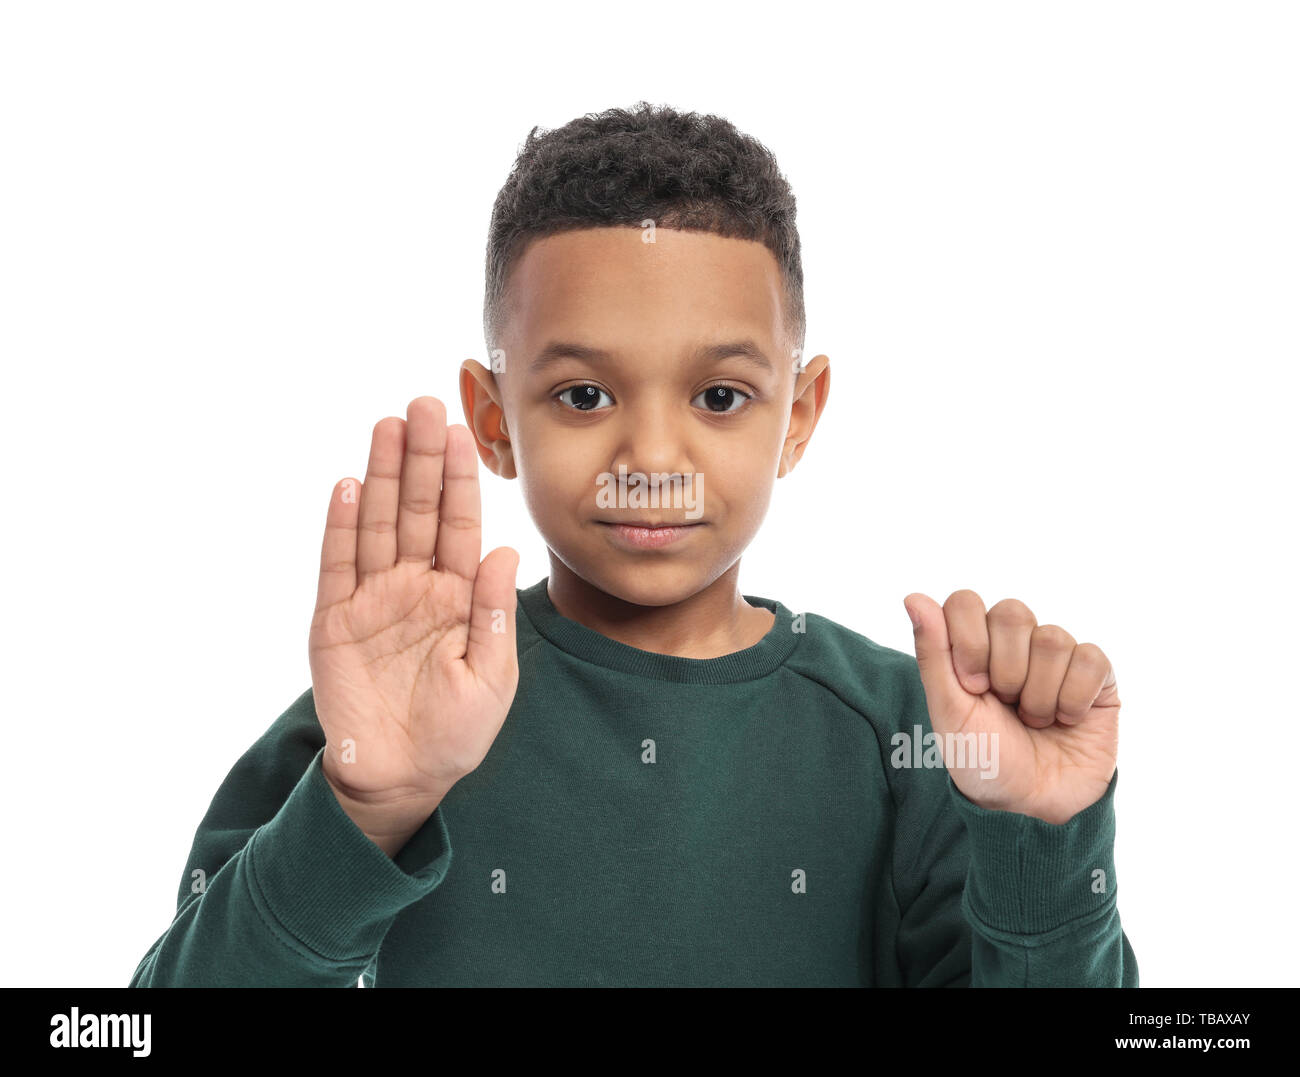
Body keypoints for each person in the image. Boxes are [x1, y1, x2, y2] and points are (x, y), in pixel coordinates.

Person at [130, 101, 1137, 987]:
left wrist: (1046, 844)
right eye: (582, 394)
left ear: (797, 412)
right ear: (492, 421)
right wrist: (363, 807)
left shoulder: (915, 738)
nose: (651, 457)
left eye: (718, 396)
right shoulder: (392, 712)